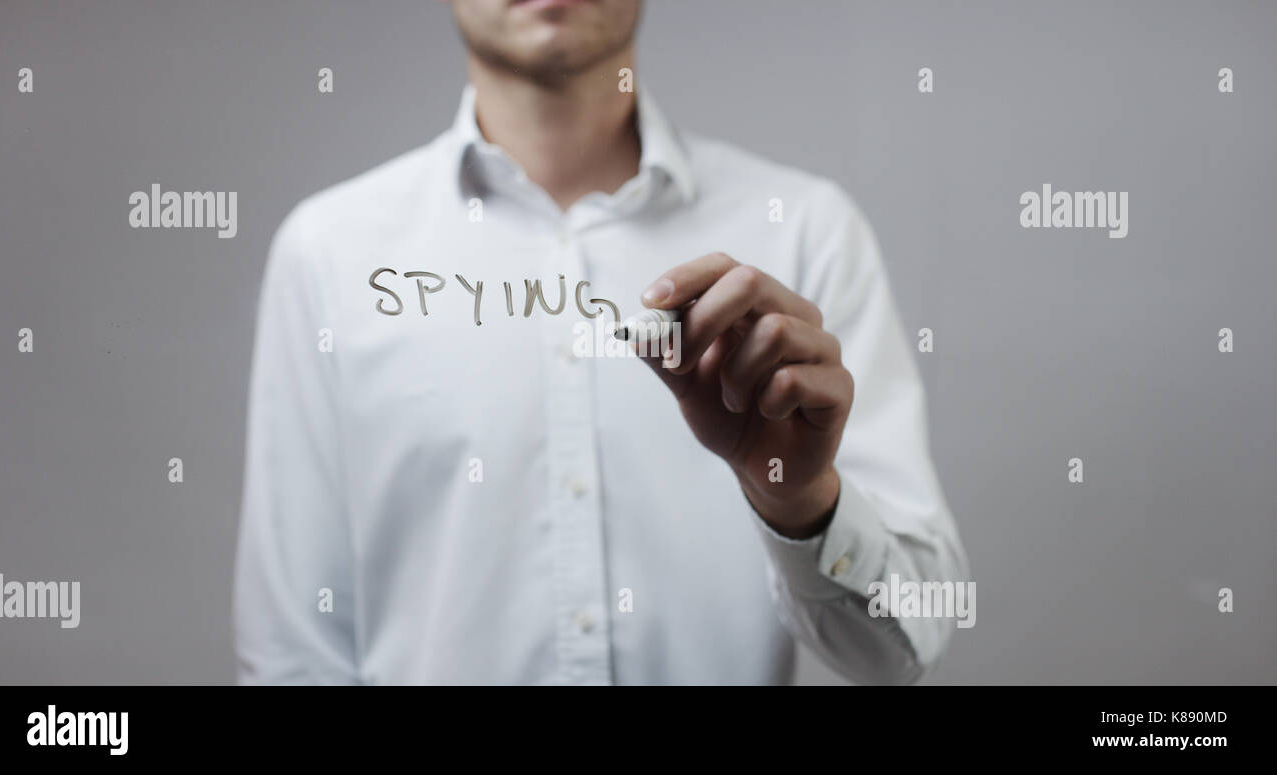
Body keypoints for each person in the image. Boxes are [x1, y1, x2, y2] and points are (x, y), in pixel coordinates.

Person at [234, 0, 969, 685]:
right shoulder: (329, 253)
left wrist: (800, 497)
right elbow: (292, 652)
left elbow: (911, 640)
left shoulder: (804, 232)